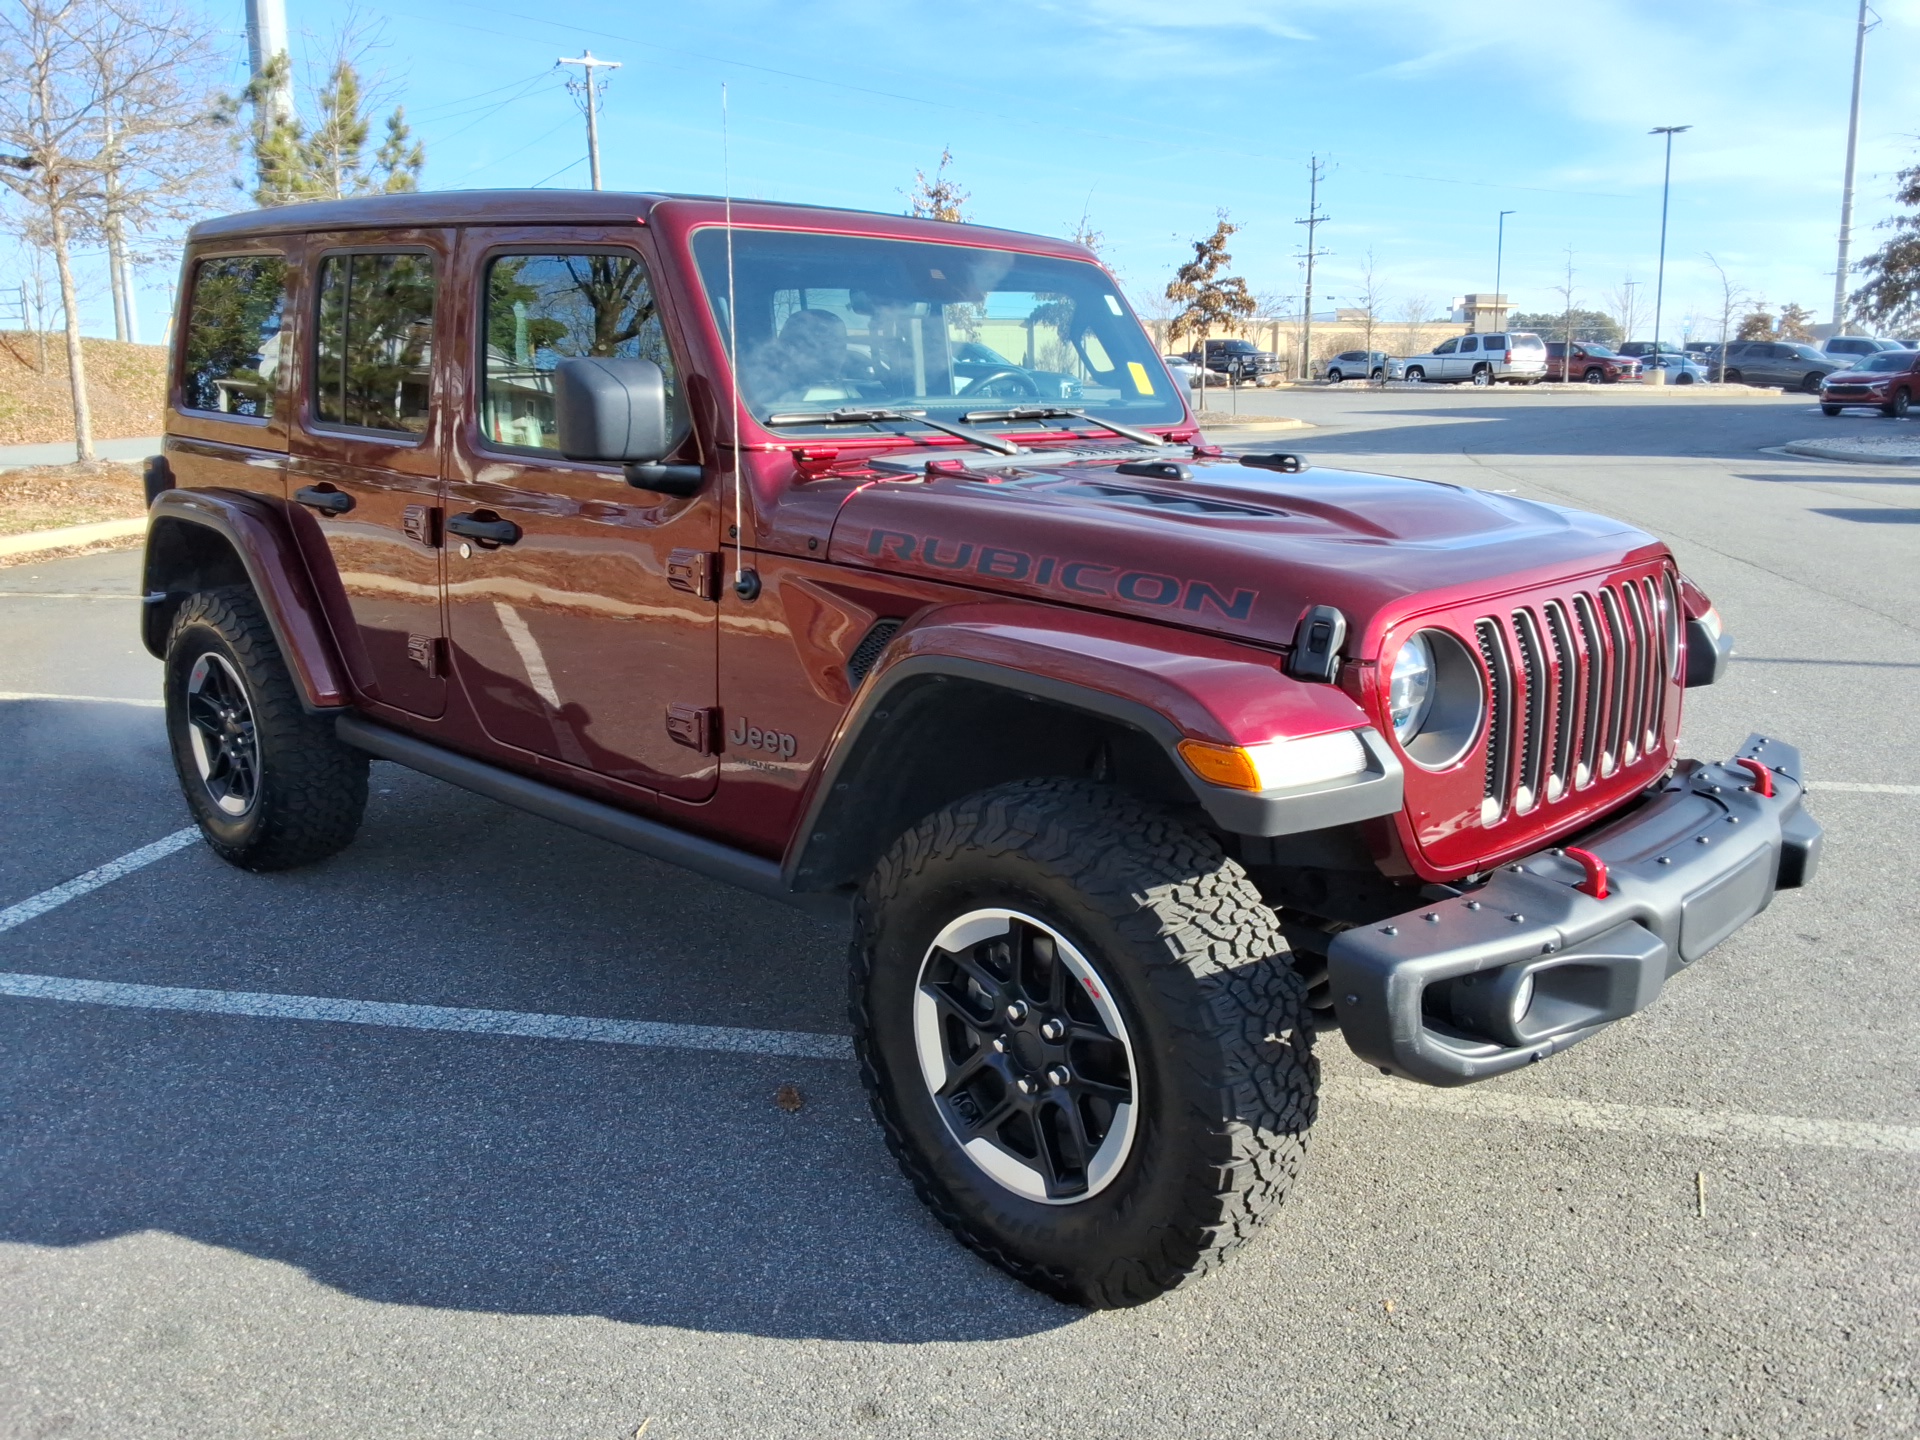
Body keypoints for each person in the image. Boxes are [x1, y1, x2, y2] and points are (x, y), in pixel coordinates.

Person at [744, 308, 859, 405]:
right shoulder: (763, 395)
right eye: (831, 345)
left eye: (840, 345)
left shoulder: (862, 390)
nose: (839, 354)